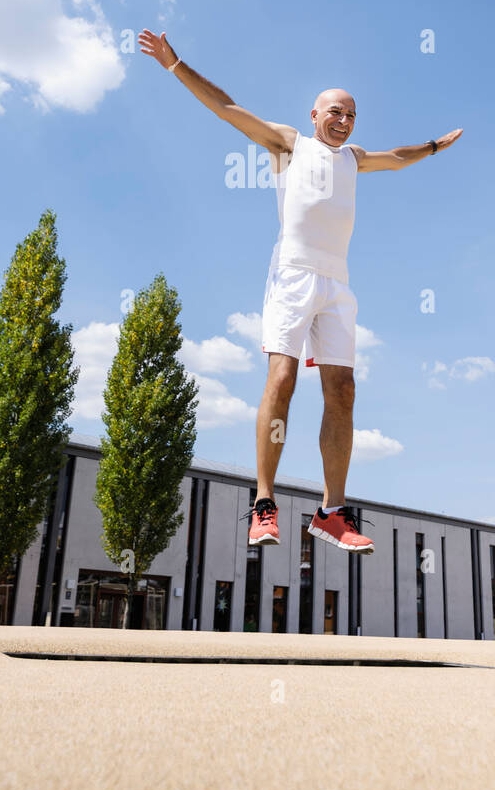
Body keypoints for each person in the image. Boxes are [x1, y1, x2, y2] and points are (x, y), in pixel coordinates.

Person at [139, 28, 462, 555]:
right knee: (283, 377)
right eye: (336, 111)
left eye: (351, 114)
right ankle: (264, 503)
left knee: (343, 390)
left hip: (338, 285)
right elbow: (227, 109)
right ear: (315, 115)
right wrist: (177, 65)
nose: (344, 120)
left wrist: (432, 147)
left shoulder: (354, 157)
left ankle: (332, 513)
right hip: (292, 275)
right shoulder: (290, 143)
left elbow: (396, 157)